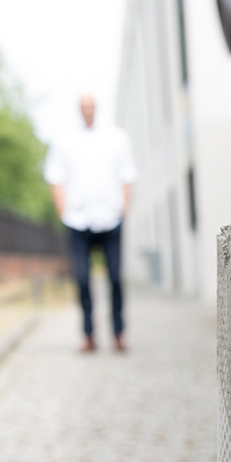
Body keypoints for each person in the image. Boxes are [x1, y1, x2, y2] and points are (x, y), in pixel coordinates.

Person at [45, 95, 138, 352]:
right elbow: (54, 177)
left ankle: (119, 333)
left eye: (91, 106)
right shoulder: (64, 140)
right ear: (79, 110)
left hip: (111, 218)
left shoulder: (117, 138)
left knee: (115, 278)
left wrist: (123, 210)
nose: (88, 111)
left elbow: (127, 175)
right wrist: (63, 212)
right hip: (77, 220)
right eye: (83, 107)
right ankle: (88, 335)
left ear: (96, 108)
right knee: (82, 279)